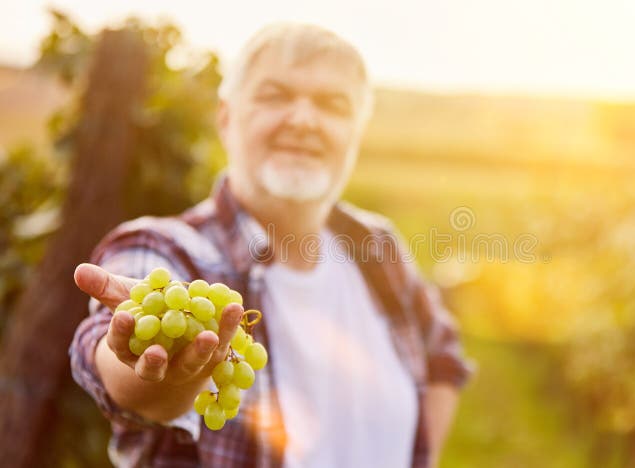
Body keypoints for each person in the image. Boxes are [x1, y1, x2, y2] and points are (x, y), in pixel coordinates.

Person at [70, 22, 472, 468]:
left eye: (332, 105)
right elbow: (127, 376)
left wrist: (424, 456)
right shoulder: (165, 248)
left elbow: (443, 354)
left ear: (356, 131)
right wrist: (152, 369)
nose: (302, 120)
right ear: (226, 118)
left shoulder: (376, 244)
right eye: (275, 96)